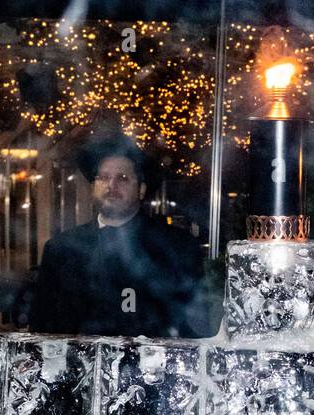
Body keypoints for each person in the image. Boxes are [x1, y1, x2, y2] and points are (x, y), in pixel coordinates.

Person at [29, 134, 209, 338]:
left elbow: (193, 329)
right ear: (93, 187)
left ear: (141, 190)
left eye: (122, 178)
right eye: (103, 178)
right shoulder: (60, 249)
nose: (111, 186)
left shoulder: (176, 247)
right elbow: (41, 328)